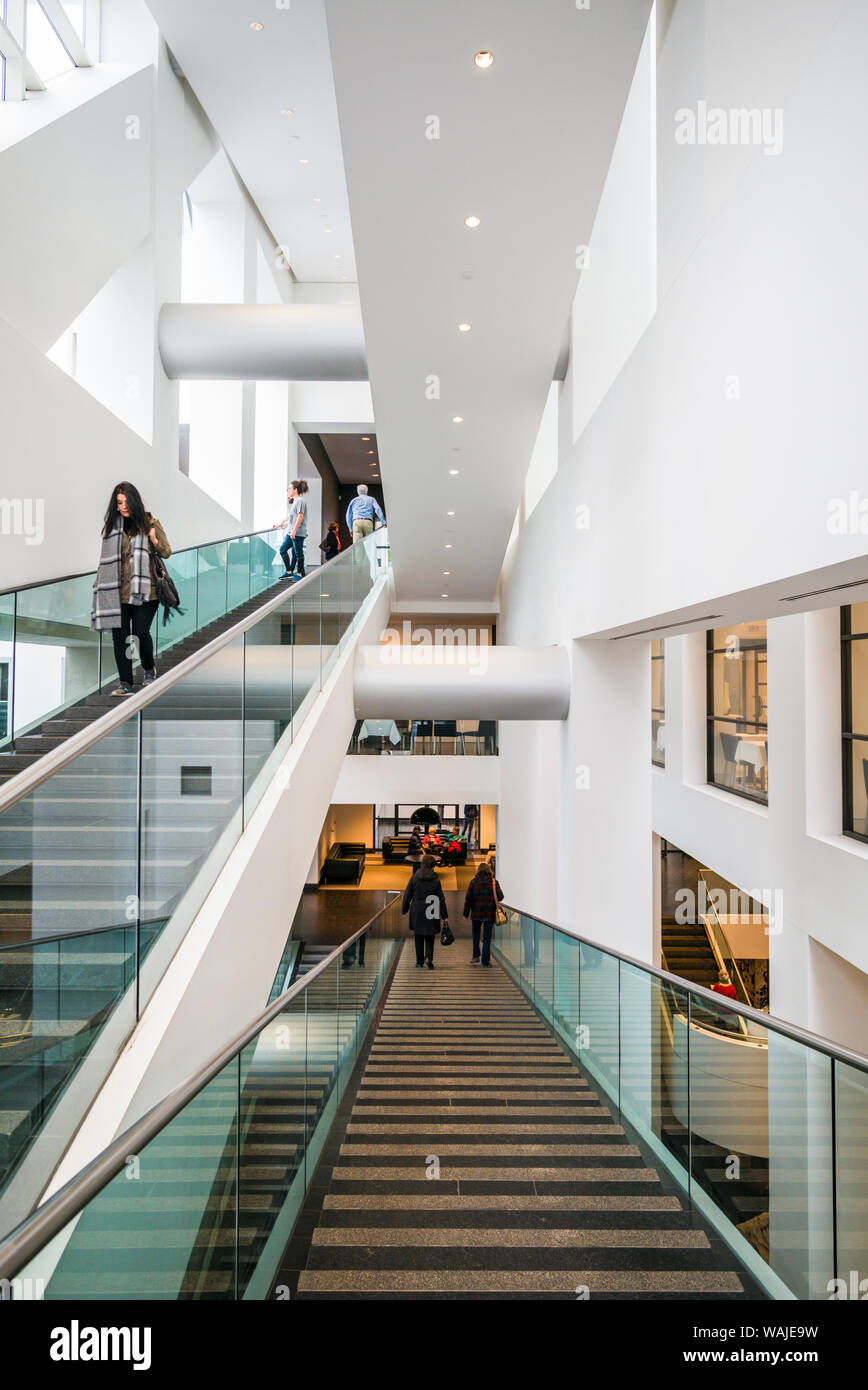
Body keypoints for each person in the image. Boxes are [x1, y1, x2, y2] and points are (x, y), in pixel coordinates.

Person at [91, 482, 171, 696]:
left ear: (134, 501)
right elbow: (105, 561)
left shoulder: (150, 522)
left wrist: (153, 538)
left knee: (140, 631)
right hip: (117, 591)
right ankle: (125, 683)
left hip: (147, 590)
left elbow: (167, 551)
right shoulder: (111, 527)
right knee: (120, 637)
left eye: (126, 502)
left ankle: (148, 669)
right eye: (119, 502)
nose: (123, 506)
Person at [402, 854, 448, 970]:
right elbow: (441, 898)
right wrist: (444, 915)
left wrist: (405, 908)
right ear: (433, 865)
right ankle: (429, 958)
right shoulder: (436, 879)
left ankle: (419, 962)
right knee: (429, 936)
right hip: (432, 907)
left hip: (417, 909)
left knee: (418, 936)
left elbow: (407, 895)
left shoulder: (415, 877)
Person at [463, 860, 504, 967]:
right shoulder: (494, 882)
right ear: (488, 871)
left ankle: (476, 956)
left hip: (476, 915)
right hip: (489, 914)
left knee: (476, 935)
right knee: (487, 938)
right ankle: (485, 961)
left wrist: (465, 914)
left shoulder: (473, 882)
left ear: (478, 871)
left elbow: (468, 899)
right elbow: (500, 897)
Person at [274, 480, 309, 579]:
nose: (288, 490)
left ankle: (299, 573)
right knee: (282, 549)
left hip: (298, 533)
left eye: (289, 488)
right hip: (291, 532)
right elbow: (290, 517)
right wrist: (279, 524)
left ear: (295, 490)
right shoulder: (295, 502)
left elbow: (300, 516)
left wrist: (294, 530)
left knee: (298, 553)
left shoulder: (300, 501)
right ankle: (289, 571)